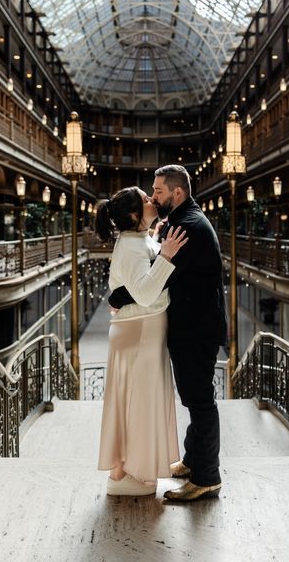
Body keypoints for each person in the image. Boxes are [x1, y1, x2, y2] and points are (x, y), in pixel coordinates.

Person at [109, 165, 227, 502]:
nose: (154, 196)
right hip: (193, 325)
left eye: (158, 191)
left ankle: (206, 478)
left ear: (176, 192)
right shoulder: (182, 219)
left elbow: (163, 278)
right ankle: (193, 461)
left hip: (196, 329)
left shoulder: (186, 227)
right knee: (195, 398)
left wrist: (119, 296)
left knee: (200, 401)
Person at [95, 186, 188, 496]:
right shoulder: (132, 247)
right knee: (139, 402)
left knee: (132, 401)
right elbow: (146, 293)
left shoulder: (136, 240)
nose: (153, 200)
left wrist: (157, 241)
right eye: (147, 200)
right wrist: (167, 255)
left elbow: (139, 278)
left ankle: (124, 470)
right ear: (135, 214)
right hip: (140, 333)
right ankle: (132, 474)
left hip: (139, 331)